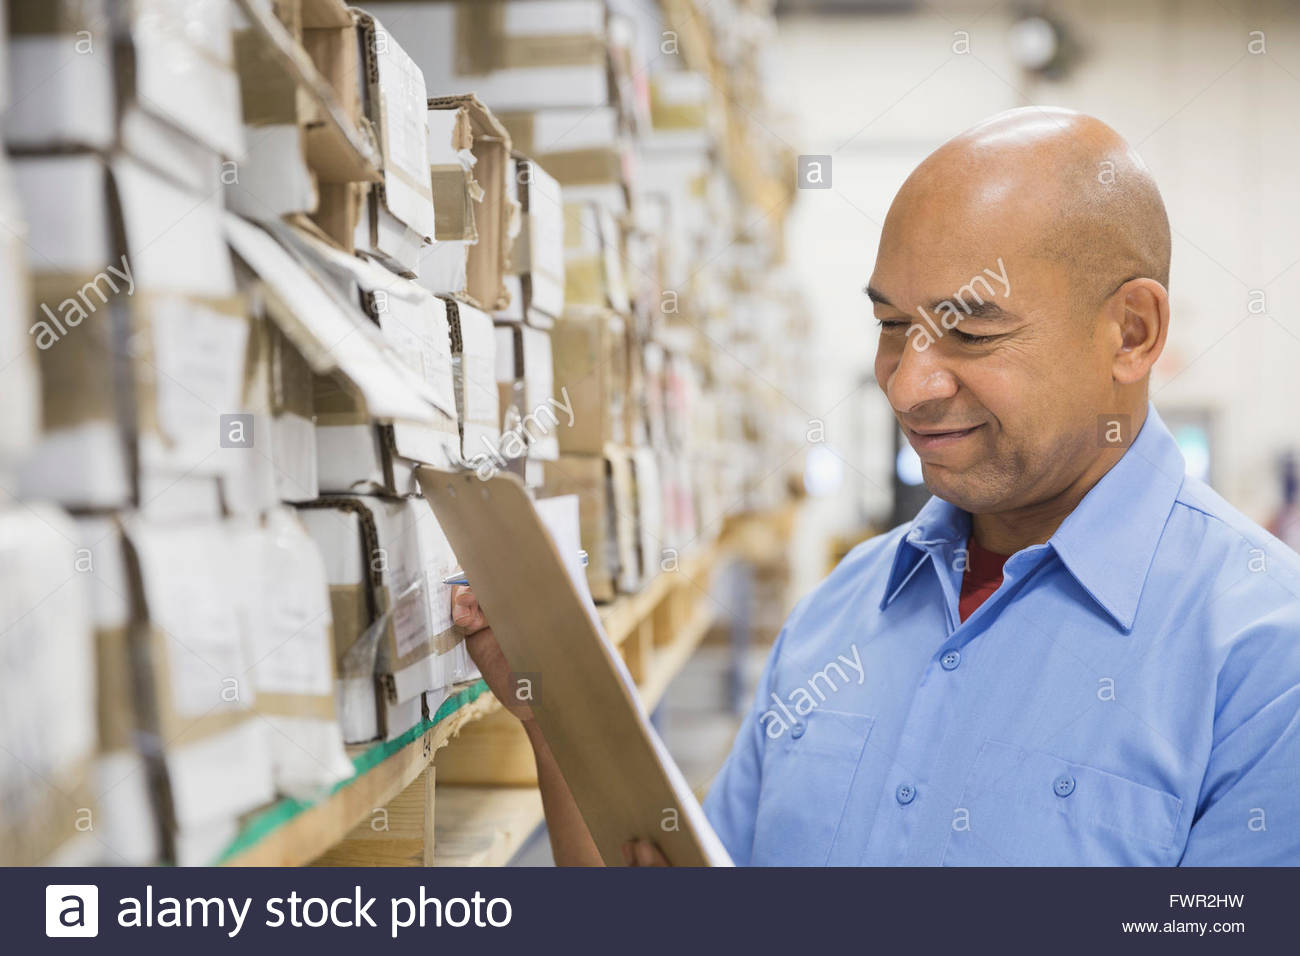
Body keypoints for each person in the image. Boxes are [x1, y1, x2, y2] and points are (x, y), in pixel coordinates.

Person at [453, 107, 1300, 866]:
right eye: (892, 326)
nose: (906, 384)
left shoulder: (1265, 661)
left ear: (1133, 332)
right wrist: (558, 710)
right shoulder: (843, 611)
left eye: (968, 331)